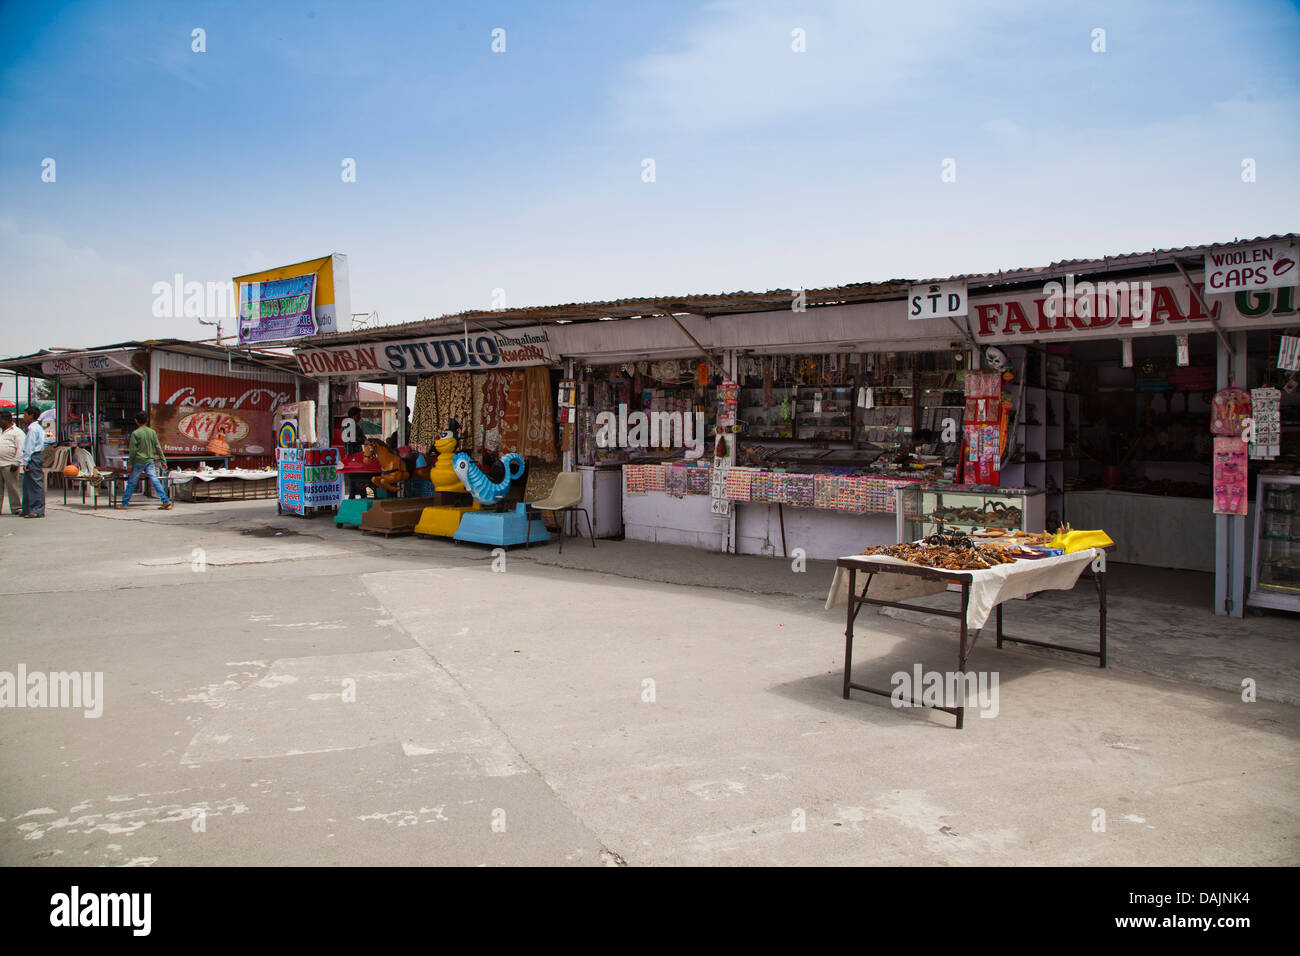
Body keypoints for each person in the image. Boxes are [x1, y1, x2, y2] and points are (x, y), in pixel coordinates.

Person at [116, 410, 173, 510]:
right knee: (155, 480)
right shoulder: (152, 432)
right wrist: (163, 460)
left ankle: (124, 503)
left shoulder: (136, 433)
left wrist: (129, 464)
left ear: (136, 421)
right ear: (146, 420)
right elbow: (158, 447)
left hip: (139, 461)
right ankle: (166, 501)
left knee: (132, 482)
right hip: (150, 461)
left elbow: (133, 451)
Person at [20, 405, 45, 518]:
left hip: (33, 457)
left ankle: (37, 509)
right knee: (27, 484)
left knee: (35, 484)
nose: (24, 417)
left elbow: (29, 446)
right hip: (33, 457)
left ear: (31, 415)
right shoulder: (36, 427)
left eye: (25, 415)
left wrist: (26, 461)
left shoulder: (33, 429)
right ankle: (28, 508)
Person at [0, 410, 24, 515]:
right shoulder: (1, 431)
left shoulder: (17, 432)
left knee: (12, 487)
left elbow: (21, 448)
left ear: (6, 420)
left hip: (9, 464)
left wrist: (16, 462)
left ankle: (16, 508)